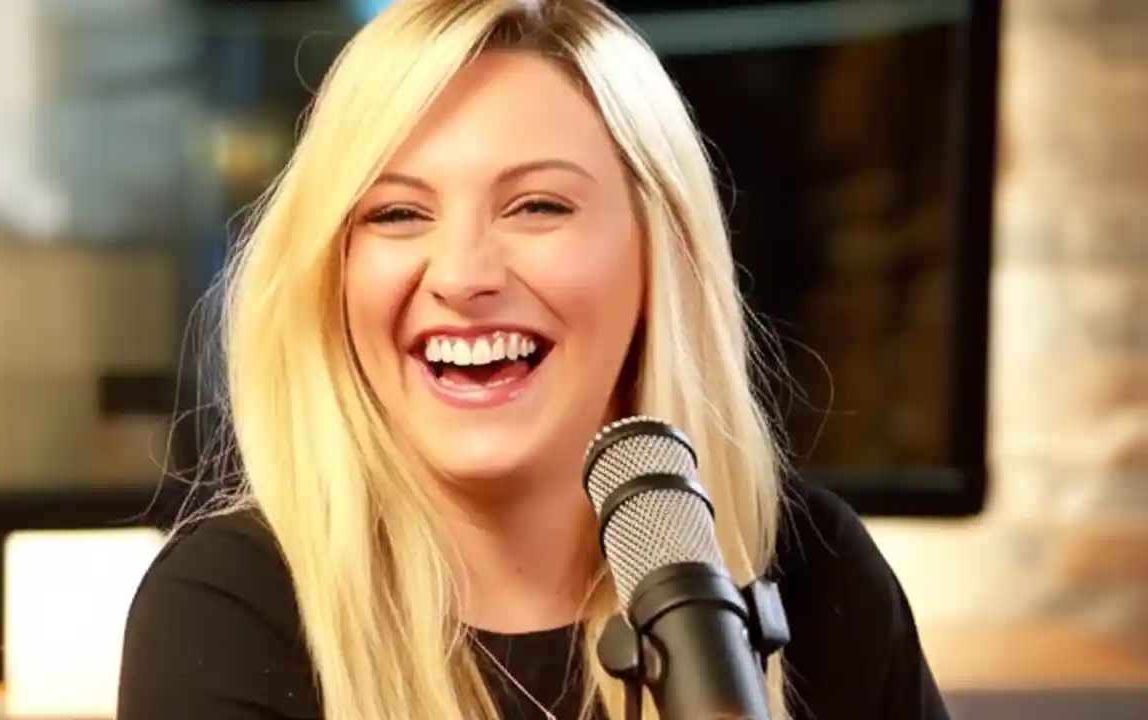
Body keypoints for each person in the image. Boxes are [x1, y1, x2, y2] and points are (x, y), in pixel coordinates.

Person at [117, 1, 948, 718]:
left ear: (660, 253)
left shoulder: (815, 573)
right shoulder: (227, 615)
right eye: (400, 213)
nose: (465, 275)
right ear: (335, 272)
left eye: (538, 206)